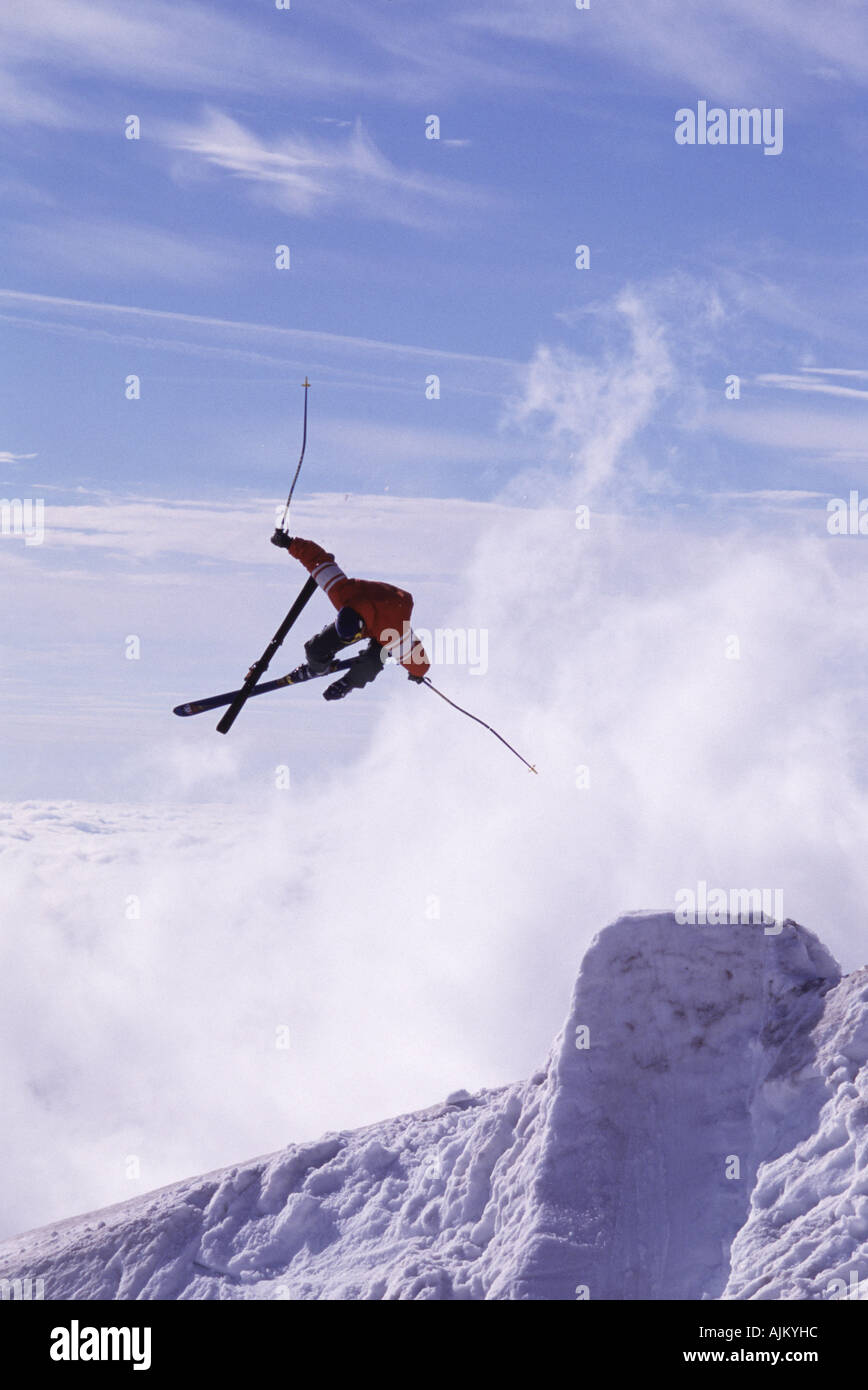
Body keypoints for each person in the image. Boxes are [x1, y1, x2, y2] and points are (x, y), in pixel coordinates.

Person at [270, 531, 430, 699]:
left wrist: (416, 673)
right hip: (365, 609)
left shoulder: (392, 631)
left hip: (387, 618)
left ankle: (348, 683)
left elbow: (420, 664)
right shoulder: (341, 593)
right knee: (315, 648)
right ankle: (318, 667)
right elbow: (317, 561)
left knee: (373, 660)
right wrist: (289, 543)